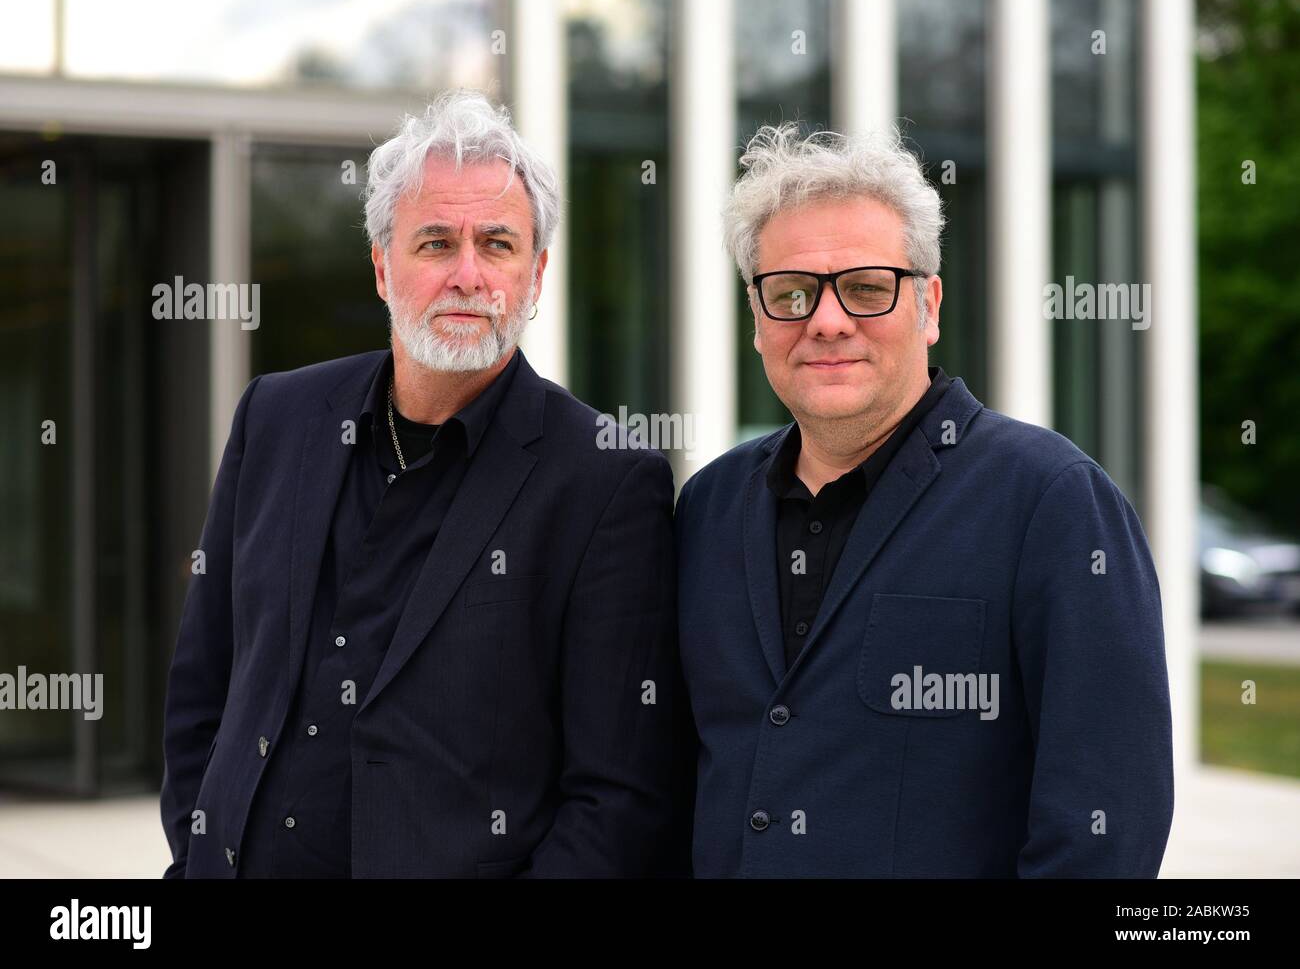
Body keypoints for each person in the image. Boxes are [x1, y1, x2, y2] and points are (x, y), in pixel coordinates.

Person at [160, 89, 692, 878]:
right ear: (382, 266)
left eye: (499, 245)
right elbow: (204, 686)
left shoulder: (607, 480)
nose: (467, 275)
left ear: (537, 273)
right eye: (436, 242)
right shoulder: (277, 418)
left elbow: (618, 799)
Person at [675, 122, 1174, 877]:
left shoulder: (1054, 503)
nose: (828, 320)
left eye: (868, 288)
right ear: (756, 317)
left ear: (929, 305)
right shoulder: (707, 508)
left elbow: (1106, 830)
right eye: (791, 293)